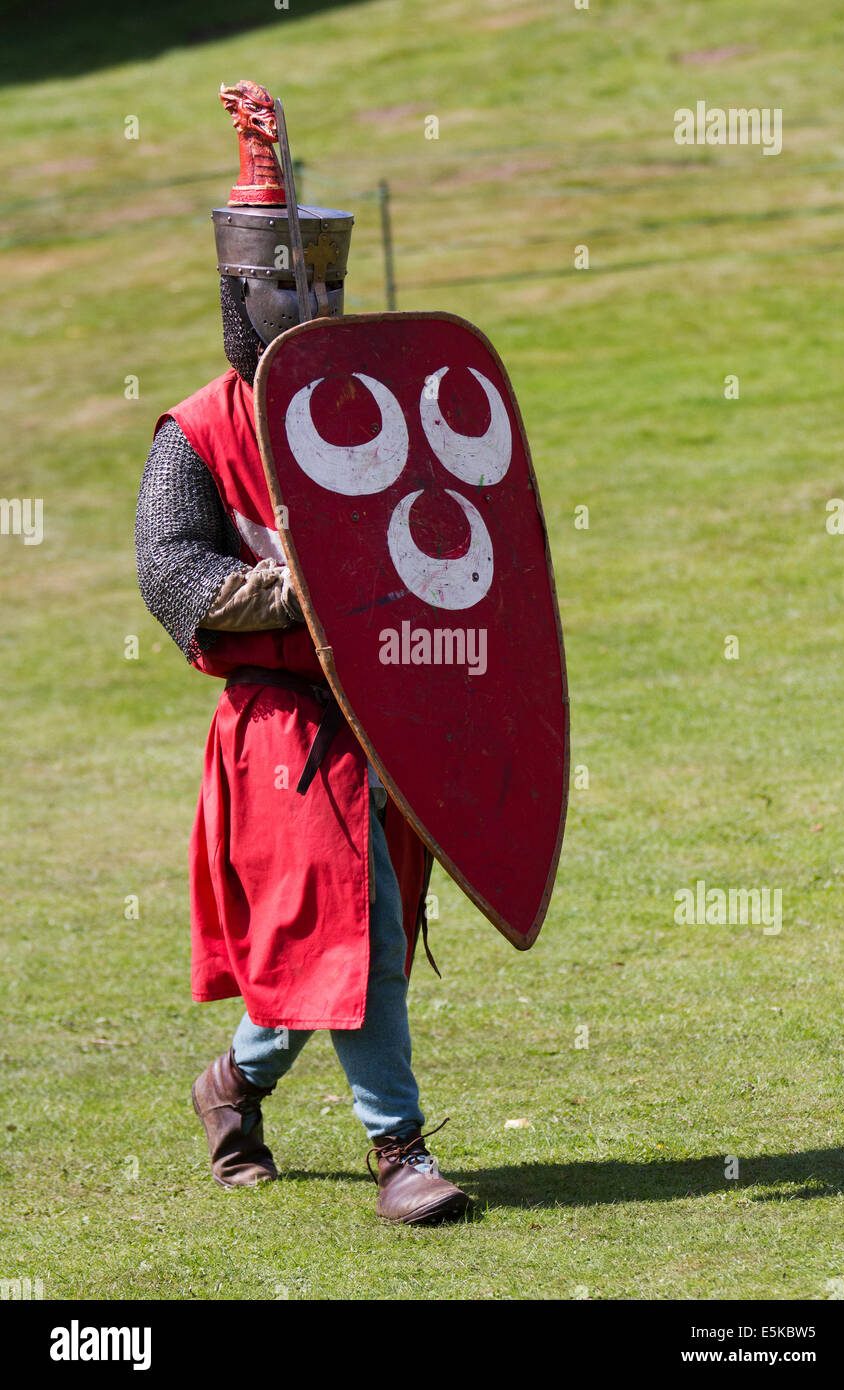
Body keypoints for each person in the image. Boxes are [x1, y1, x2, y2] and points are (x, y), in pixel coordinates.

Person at [134, 80, 471, 1224]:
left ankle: (232, 1086)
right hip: (279, 719)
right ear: (238, 293)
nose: (307, 299)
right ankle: (400, 1154)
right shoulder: (197, 432)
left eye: (322, 279)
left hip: (379, 704)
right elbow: (173, 574)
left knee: (333, 930)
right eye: (283, 281)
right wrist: (294, 592)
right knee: (357, 921)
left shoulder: (375, 406)